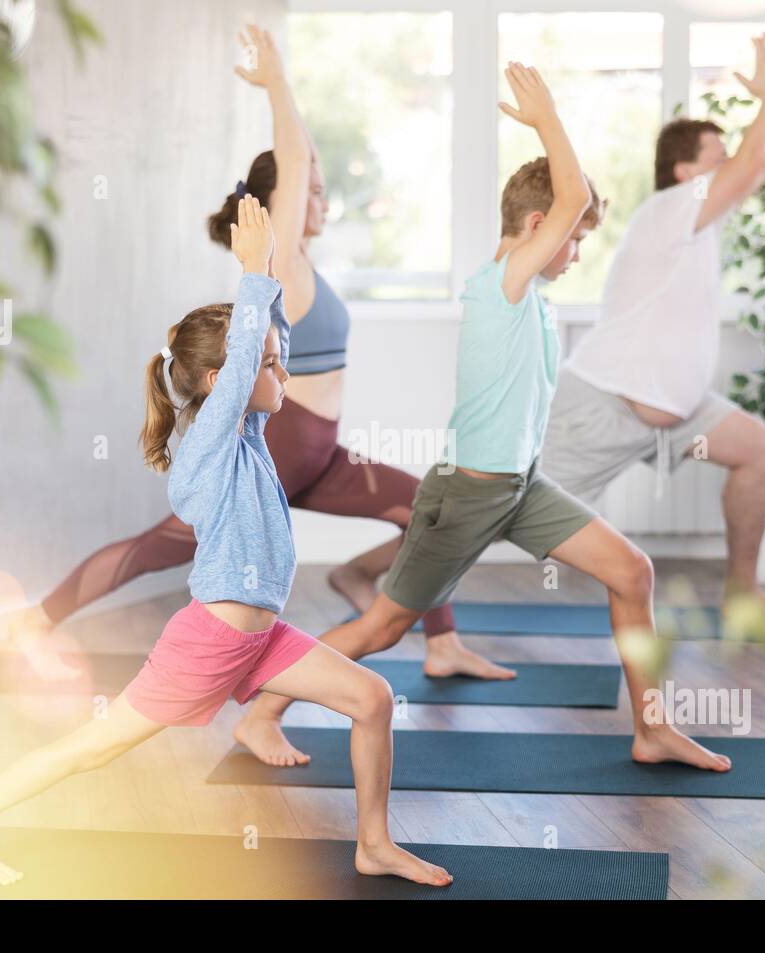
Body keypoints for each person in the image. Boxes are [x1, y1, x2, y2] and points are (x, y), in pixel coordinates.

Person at [0, 196, 453, 889]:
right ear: (219, 382)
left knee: (372, 699)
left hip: (260, 638)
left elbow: (266, 353)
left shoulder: (251, 437)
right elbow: (246, 364)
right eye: (270, 366)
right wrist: (252, 274)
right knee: (92, 751)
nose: (283, 377)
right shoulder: (208, 443)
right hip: (210, 641)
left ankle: (375, 843)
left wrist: (277, 273)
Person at [234, 62, 733, 774]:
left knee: (632, 571)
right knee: (379, 628)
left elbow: (571, 206)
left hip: (520, 488)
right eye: (573, 238)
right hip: (467, 495)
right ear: (537, 227)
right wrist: (548, 118)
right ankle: (261, 711)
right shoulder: (501, 282)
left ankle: (652, 729)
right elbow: (574, 196)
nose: (578, 249)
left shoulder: (530, 294)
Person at [10, 23, 507, 696]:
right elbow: (293, 159)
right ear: (278, 205)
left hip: (318, 452)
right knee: (155, 549)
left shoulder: (305, 269)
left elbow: (297, 167)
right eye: (314, 190)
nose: (323, 200)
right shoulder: (283, 264)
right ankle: (36, 620)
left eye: (324, 190)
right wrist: (278, 84)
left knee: (426, 507)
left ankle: (430, 634)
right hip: (287, 443)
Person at [539, 34, 765, 624]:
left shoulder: (698, 227)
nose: (729, 167)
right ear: (686, 171)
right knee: (485, 513)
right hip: (601, 407)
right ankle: (381, 576)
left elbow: (751, 166)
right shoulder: (671, 208)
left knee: (757, 447)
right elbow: (758, 162)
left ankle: (742, 593)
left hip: (675, 411)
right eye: (717, 158)